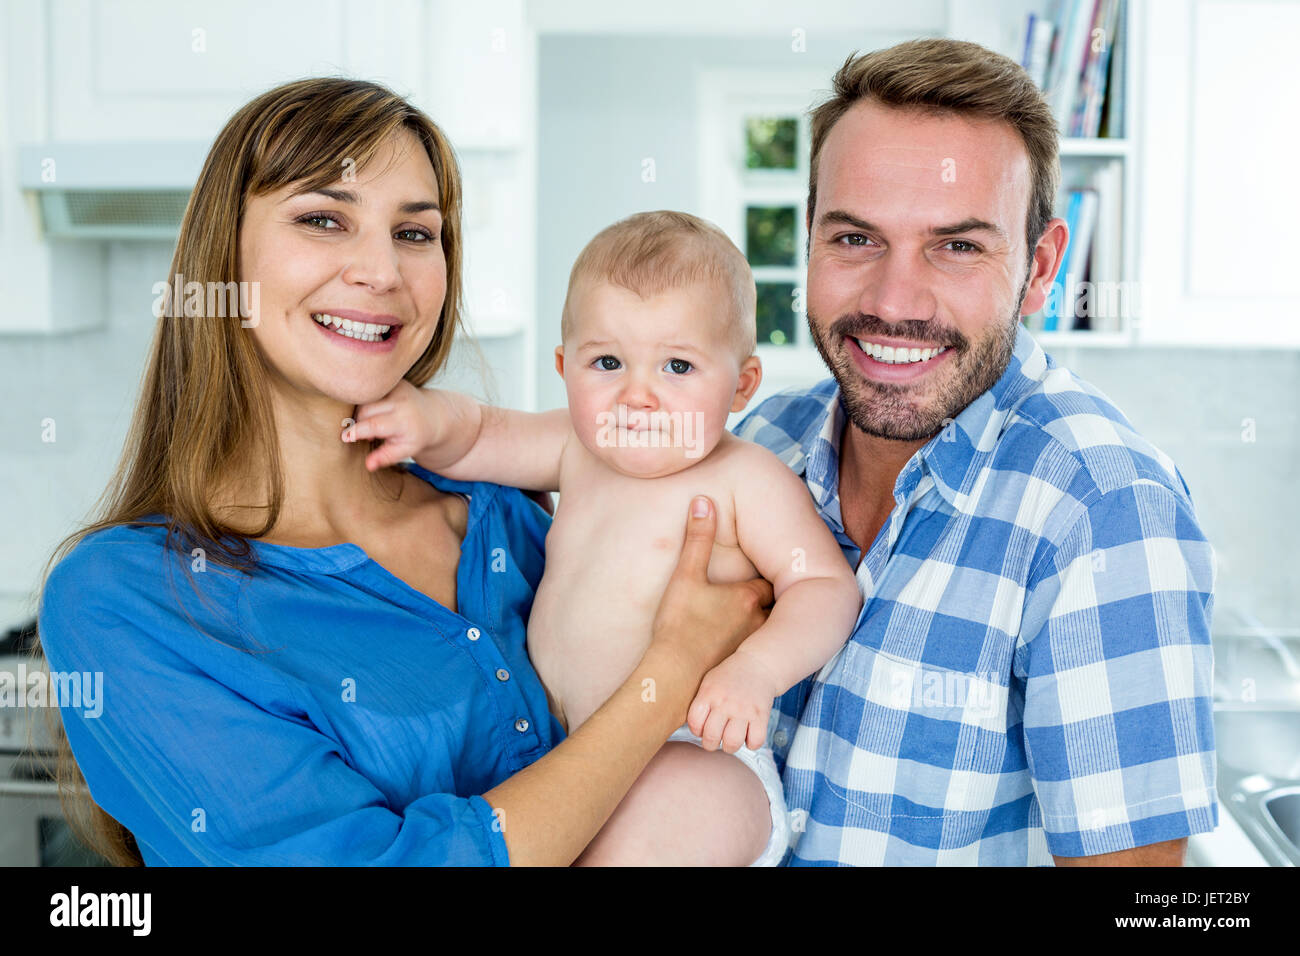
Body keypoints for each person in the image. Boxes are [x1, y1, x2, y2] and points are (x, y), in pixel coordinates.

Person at [34, 77, 772, 867]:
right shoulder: (127, 597)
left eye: (416, 234)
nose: (381, 270)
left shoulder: (506, 511)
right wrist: (671, 668)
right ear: (225, 260)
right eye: (324, 219)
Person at [733, 39, 1218, 865]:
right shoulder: (761, 442)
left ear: (1039, 269)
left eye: (958, 247)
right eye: (855, 239)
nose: (893, 301)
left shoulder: (1103, 509)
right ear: (808, 239)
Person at [342, 210, 863, 865]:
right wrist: (424, 416)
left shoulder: (744, 478)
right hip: (574, 761)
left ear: (743, 384)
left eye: (677, 366)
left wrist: (755, 672)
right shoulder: (575, 447)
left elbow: (823, 586)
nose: (637, 396)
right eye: (608, 362)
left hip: (692, 755)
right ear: (564, 366)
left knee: (675, 805)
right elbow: (477, 435)